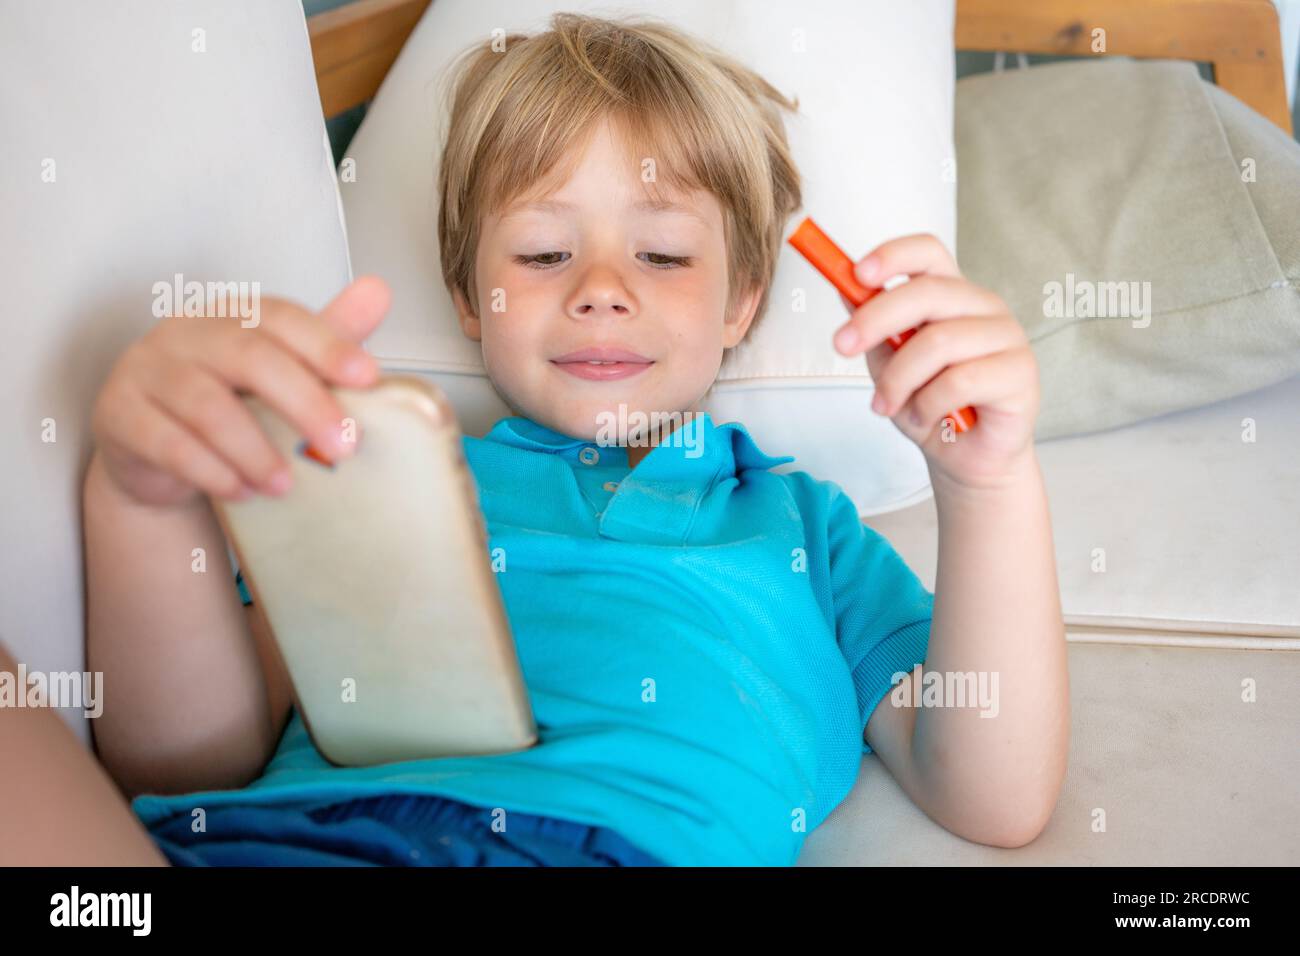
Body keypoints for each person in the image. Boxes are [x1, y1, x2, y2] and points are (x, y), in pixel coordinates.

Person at [2, 12, 1067, 867]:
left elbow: (991, 795)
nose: (602, 290)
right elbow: (197, 760)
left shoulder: (803, 530)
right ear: (471, 294)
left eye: (660, 254)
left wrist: (987, 485)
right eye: (547, 251)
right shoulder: (377, 471)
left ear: (743, 298)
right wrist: (141, 499)